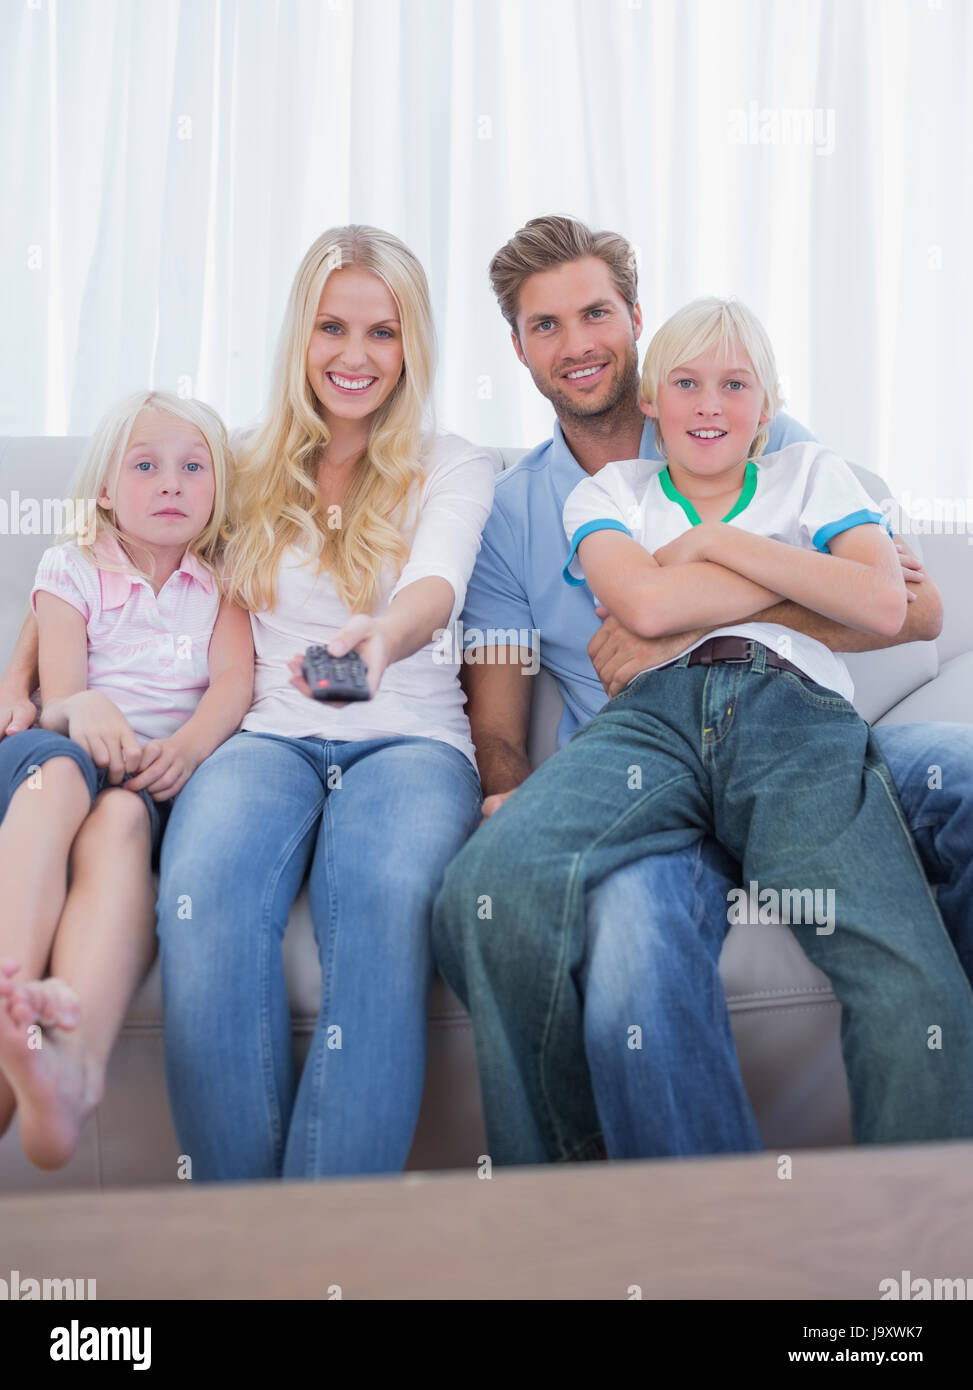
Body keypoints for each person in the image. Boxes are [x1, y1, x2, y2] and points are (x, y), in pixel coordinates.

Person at [431, 214, 973, 1163]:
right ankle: (590, 1213)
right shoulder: (535, 503)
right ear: (516, 346)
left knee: (951, 807)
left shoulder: (760, 431)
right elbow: (509, 700)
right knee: (521, 911)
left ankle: (916, 1250)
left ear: (632, 319)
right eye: (545, 325)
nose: (576, 343)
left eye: (594, 312)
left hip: (795, 721)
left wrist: (705, 606)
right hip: (644, 757)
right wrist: (513, 792)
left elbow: (909, 612)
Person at [0, 390, 252, 1170]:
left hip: (140, 781)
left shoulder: (226, 579)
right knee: (68, 779)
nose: (171, 483)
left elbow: (232, 687)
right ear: (106, 489)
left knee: (123, 821)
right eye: (145, 466)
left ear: (218, 489)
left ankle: (66, 1065)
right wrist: (88, 709)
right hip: (54, 755)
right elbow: (64, 695)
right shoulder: (69, 567)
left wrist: (187, 746)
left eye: (191, 467)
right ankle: (6, 975)